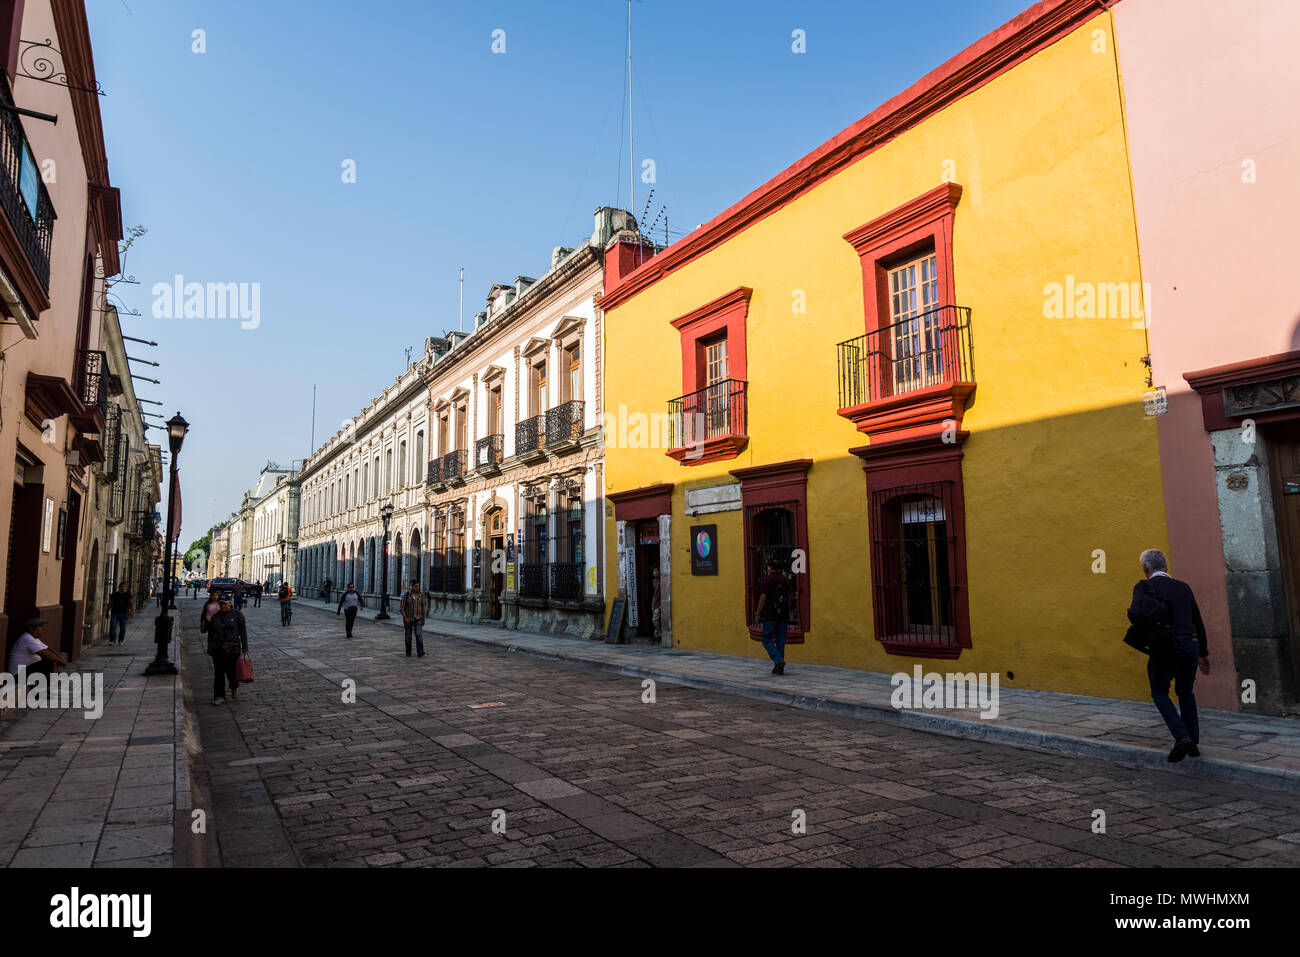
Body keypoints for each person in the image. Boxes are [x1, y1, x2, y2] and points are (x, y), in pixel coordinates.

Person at [1129, 548, 1210, 763]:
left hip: (1165, 646)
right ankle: (1192, 740)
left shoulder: (1144, 587)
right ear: (1165, 566)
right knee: (1185, 691)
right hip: (1190, 644)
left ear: (1145, 567)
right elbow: (1196, 619)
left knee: (1159, 691)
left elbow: (1135, 614)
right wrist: (1203, 653)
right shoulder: (1183, 587)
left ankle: (1181, 736)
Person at [206, 595, 248, 706]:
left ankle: (234, 685)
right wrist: (209, 646)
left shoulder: (238, 615)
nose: (223, 606)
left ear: (230, 603)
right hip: (217, 648)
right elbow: (210, 633)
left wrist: (245, 648)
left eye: (225, 603)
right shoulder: (215, 617)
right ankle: (219, 696)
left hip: (233, 649)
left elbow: (243, 632)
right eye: (221, 604)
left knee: (231, 671)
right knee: (218, 672)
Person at [753, 556, 791, 675]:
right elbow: (789, 598)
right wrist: (788, 611)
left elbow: (763, 598)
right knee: (780, 640)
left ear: (770, 568)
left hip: (770, 615)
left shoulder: (767, 580)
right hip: (783, 615)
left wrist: (758, 613)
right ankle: (779, 667)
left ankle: (778, 660)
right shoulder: (785, 580)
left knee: (766, 639)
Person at [400, 579, 426, 657]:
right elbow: (401, 608)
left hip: (418, 618)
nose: (417, 588)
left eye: (418, 586)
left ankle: (420, 651)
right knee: (408, 636)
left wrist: (423, 619)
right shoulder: (406, 596)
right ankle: (408, 651)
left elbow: (423, 608)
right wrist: (405, 617)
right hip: (408, 618)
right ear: (411, 587)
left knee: (419, 634)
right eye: (416, 586)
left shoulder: (421, 595)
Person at [651, 568, 662, 642]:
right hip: (654, 603)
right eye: (654, 571)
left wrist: (661, 604)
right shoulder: (654, 581)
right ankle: (656, 634)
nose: (656, 573)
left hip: (659, 603)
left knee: (654, 620)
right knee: (656, 619)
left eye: (657, 571)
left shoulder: (662, 581)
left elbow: (662, 593)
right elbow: (655, 593)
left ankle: (660, 633)